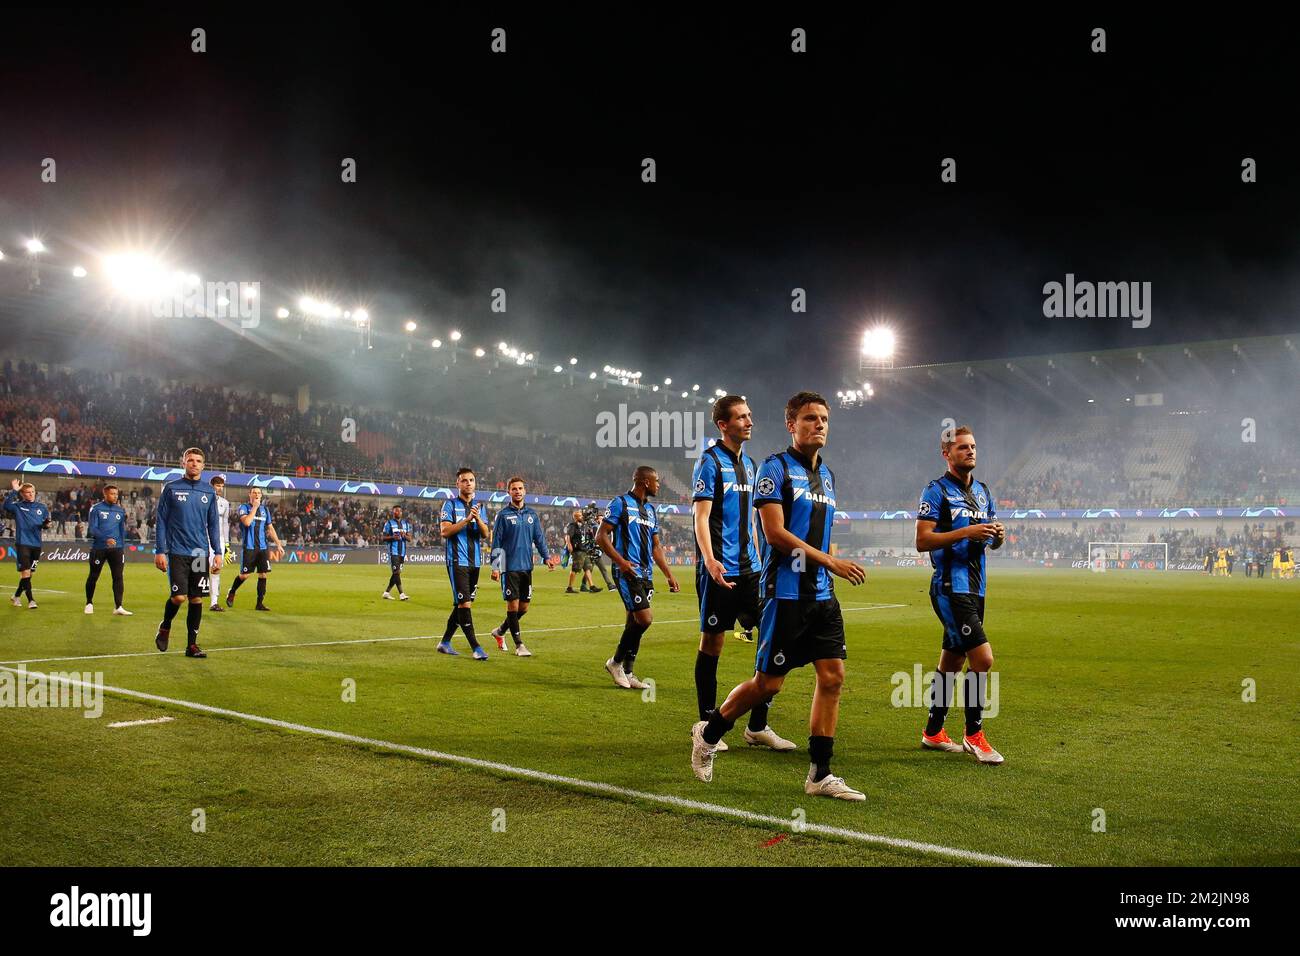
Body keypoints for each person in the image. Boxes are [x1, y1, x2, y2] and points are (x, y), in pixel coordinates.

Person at [690, 392, 866, 798]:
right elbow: (775, 534)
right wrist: (830, 561)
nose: (819, 424)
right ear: (791, 424)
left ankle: (820, 774)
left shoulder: (830, 476)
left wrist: (825, 569)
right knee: (767, 685)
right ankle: (710, 731)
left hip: (822, 594)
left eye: (824, 418)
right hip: (786, 594)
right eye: (809, 418)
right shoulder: (774, 468)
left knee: (833, 677)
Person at [692, 394, 794, 753]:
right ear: (723, 425)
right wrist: (709, 559)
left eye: (750, 415)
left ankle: (757, 726)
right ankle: (707, 723)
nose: (749, 421)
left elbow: (752, 521)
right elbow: (701, 516)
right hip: (720, 569)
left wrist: (761, 554)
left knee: (773, 639)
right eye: (741, 417)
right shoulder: (709, 462)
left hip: (752, 570)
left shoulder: (751, 465)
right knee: (713, 642)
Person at [914, 426, 1006, 765]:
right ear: (947, 453)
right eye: (963, 447)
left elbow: (989, 538)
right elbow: (922, 541)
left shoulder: (983, 492)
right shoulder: (935, 491)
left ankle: (934, 731)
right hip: (951, 588)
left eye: (973, 446)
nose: (970, 451)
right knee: (982, 660)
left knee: (951, 663)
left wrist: (996, 537)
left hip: (977, 587)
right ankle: (974, 735)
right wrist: (967, 530)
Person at [598, 466, 681, 690]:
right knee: (644, 619)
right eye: (656, 481)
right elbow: (601, 536)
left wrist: (669, 574)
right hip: (628, 572)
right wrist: (621, 562)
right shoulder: (620, 503)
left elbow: (656, 547)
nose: (659, 485)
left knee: (633, 622)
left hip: (646, 574)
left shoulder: (651, 511)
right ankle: (615, 663)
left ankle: (628, 671)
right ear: (645, 482)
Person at [153, 448, 223, 658]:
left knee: (196, 599)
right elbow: (161, 521)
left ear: (203, 465)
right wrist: (160, 551)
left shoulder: (208, 491)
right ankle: (165, 626)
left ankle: (191, 646)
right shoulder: (171, 488)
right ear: (183, 462)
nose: (194, 463)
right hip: (177, 551)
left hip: (199, 552)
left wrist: (217, 552)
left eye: (198, 461)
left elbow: (213, 524)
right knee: (179, 597)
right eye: (190, 460)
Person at [489, 477, 560, 656]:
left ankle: (500, 631)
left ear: (525, 491)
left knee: (523, 608)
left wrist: (546, 557)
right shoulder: (503, 515)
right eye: (514, 489)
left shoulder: (532, 515)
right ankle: (519, 645)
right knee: (512, 607)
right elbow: (496, 541)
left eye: (520, 488)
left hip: (527, 567)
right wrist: (496, 567)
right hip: (509, 567)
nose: (518, 491)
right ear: (509, 492)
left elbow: (539, 538)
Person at [438, 468, 491, 659]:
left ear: (475, 483)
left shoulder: (480, 506)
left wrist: (477, 518)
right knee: (465, 604)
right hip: (456, 560)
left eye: (471, 480)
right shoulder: (450, 505)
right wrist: (467, 520)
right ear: (457, 484)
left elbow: (485, 534)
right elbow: (445, 531)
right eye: (464, 480)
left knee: (461, 604)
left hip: (475, 562)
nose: (468, 483)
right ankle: (476, 648)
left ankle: (445, 642)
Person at [224, 487, 285, 611]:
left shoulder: (265, 510)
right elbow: (246, 522)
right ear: (249, 495)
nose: (256, 494)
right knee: (245, 575)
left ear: (261, 496)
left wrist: (278, 544)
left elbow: (270, 528)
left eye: (258, 493)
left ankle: (259, 603)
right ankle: (232, 591)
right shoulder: (244, 508)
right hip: (249, 547)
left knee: (263, 574)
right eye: (254, 493)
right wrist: (255, 507)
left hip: (263, 547)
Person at [84, 484, 132, 615]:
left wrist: (122, 546)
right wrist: (106, 539)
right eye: (112, 494)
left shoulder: (120, 510)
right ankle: (89, 603)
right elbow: (92, 529)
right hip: (99, 548)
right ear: (105, 495)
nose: (115, 496)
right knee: (94, 576)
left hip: (117, 549)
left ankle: (118, 607)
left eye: (116, 494)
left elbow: (122, 530)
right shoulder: (96, 509)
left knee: (118, 577)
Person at [4, 478, 50, 609]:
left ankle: (16, 596)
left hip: (36, 544)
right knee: (25, 572)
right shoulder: (18, 506)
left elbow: (44, 525)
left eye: (33, 492)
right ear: (23, 494)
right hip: (23, 543)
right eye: (28, 492)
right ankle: (31, 600)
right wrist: (14, 491)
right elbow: (5, 506)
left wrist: (47, 525)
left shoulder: (42, 508)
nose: (31, 494)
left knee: (29, 574)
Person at [208, 476, 232, 612]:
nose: (220, 488)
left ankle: (214, 602)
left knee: (216, 569)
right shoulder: (204, 500)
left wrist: (227, 544)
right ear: (211, 485)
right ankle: (194, 598)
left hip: (220, 541)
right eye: (218, 485)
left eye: (222, 486)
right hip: (203, 539)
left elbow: (225, 524)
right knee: (198, 569)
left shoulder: (225, 503)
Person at [381, 504, 412, 600]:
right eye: (396, 511)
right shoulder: (389, 524)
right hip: (393, 551)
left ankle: (386, 592)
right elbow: (383, 538)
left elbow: (409, 538)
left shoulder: (406, 524)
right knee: (396, 572)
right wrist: (392, 537)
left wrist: (404, 536)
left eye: (400, 511)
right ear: (393, 512)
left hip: (402, 552)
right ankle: (402, 594)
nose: (398, 512)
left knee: (396, 573)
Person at [564, 509, 598, 592]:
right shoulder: (572, 525)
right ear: (575, 517)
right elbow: (568, 536)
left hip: (583, 549)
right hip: (577, 550)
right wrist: (569, 545)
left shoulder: (582, 525)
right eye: (580, 516)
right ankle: (569, 588)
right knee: (575, 569)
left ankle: (592, 586)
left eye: (581, 515)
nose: (581, 517)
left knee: (587, 568)